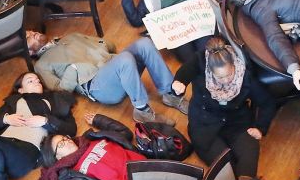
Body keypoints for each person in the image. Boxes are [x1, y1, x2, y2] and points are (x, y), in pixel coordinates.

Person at [172, 36, 275, 178]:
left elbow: (267, 102)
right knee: (226, 167)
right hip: (204, 124)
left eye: (229, 74)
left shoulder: (244, 74)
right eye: (220, 78)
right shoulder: (200, 61)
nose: (226, 81)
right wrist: (179, 84)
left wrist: (260, 127)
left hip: (237, 123)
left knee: (249, 161)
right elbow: (184, 73)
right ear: (211, 71)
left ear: (234, 64)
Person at [30, 30, 187, 123]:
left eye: (31, 30)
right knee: (125, 59)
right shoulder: (41, 65)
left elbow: (109, 45)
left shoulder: (69, 37)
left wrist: (100, 46)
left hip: (113, 64)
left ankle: (171, 94)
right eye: (28, 36)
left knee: (145, 43)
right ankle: (142, 111)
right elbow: (60, 92)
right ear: (29, 51)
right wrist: (73, 69)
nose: (32, 32)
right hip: (98, 85)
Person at [22, 113, 143, 180]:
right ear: (57, 157)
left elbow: (124, 133)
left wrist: (99, 120)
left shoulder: (91, 139)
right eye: (61, 143)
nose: (67, 140)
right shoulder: (70, 178)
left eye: (65, 138)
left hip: (147, 164)